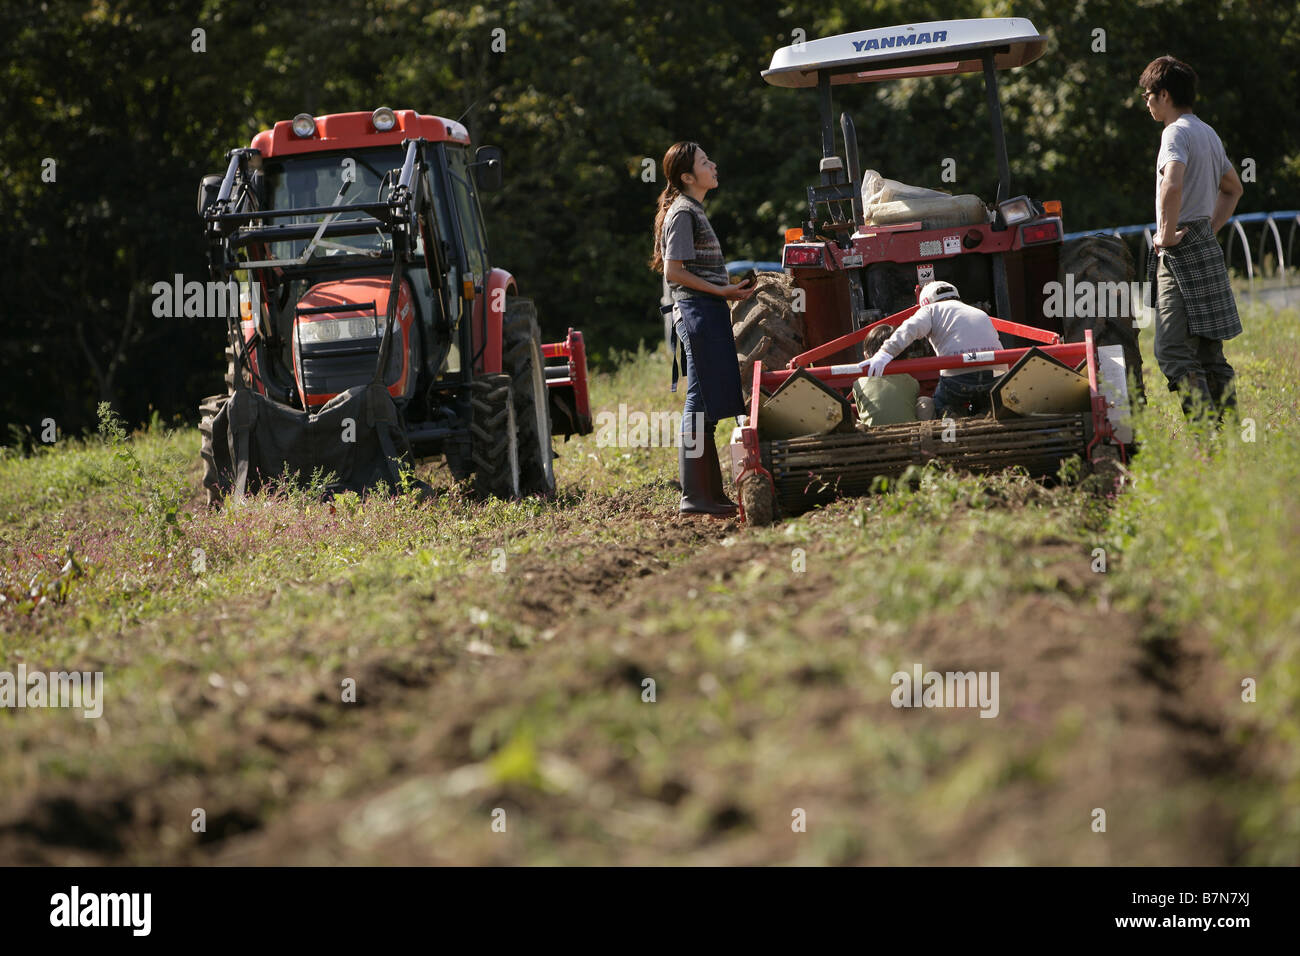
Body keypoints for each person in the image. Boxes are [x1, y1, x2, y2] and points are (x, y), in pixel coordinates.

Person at [650, 141, 755, 516]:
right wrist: (723, 290)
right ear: (687, 177)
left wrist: (725, 292)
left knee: (706, 404)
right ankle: (694, 495)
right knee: (697, 404)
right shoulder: (682, 213)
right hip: (695, 311)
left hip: (706, 308)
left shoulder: (693, 210)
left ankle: (712, 495)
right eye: (705, 162)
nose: (713, 165)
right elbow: (674, 272)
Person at [1140, 55, 1244, 427]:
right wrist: (1210, 227)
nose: (1146, 102)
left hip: (1180, 247)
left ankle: (1205, 437)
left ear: (1164, 94)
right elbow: (1234, 188)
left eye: (1148, 94)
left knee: (1171, 350)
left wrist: (1166, 235)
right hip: (1201, 241)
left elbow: (1172, 182)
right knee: (1207, 350)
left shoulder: (1175, 132)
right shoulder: (1207, 132)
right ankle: (1230, 436)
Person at [863, 280, 1004, 418]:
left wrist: (885, 352)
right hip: (997, 373)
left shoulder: (930, 309)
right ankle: (988, 419)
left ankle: (950, 437)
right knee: (988, 402)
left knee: (944, 405)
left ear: (925, 301)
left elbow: (910, 328)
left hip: (959, 376)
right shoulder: (978, 312)